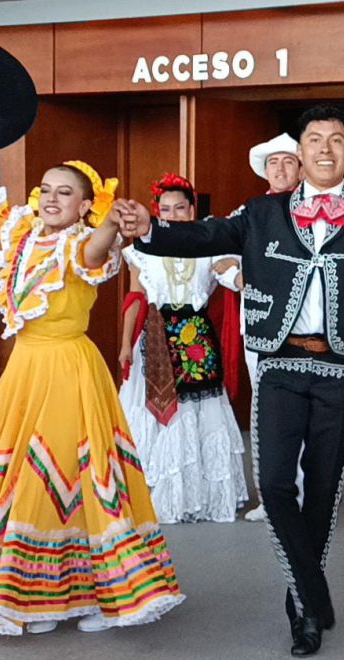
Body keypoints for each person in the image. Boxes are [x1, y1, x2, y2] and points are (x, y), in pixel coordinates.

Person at [118, 104, 344, 656]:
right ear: (301, 151)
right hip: (280, 367)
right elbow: (205, 236)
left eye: (336, 140)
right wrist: (153, 229)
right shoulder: (262, 214)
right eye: (315, 139)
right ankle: (311, 596)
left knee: (323, 490)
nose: (324, 149)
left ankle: (304, 605)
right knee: (273, 485)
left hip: (341, 372)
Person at [0, 148, 185, 635]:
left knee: (65, 475)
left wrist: (113, 223)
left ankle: (96, 596)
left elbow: (95, 250)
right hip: (26, 368)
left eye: (65, 193)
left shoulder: (83, 246)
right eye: (46, 190)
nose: (51, 199)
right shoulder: (22, 233)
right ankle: (39, 593)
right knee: (15, 472)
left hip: (68, 367)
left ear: (83, 206)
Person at [118, 173, 248, 524]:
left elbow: (229, 276)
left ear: (192, 211)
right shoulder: (140, 250)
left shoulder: (212, 248)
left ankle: (198, 496)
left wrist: (242, 276)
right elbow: (136, 297)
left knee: (201, 417)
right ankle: (152, 495)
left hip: (195, 338)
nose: (172, 215)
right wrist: (125, 344)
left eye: (180, 208)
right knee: (153, 415)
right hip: (155, 338)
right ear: (155, 212)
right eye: (165, 209)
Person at [220, 132, 304, 523]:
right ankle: (272, 498)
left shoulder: (319, 208)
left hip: (308, 327)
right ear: (264, 171)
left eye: (288, 161)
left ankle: (306, 492)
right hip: (261, 326)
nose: (280, 169)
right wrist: (239, 278)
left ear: (301, 167)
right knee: (266, 411)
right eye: (274, 163)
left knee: (306, 409)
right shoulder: (249, 211)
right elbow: (218, 257)